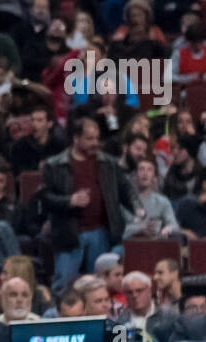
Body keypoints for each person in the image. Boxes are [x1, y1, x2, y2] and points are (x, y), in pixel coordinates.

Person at [41, 114, 136, 292]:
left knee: (100, 286)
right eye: (90, 139)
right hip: (69, 233)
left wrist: (138, 211)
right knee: (63, 286)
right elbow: (44, 198)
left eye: (97, 138)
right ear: (76, 139)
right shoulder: (54, 165)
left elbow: (125, 190)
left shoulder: (108, 162)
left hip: (101, 232)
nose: (95, 143)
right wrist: (69, 200)